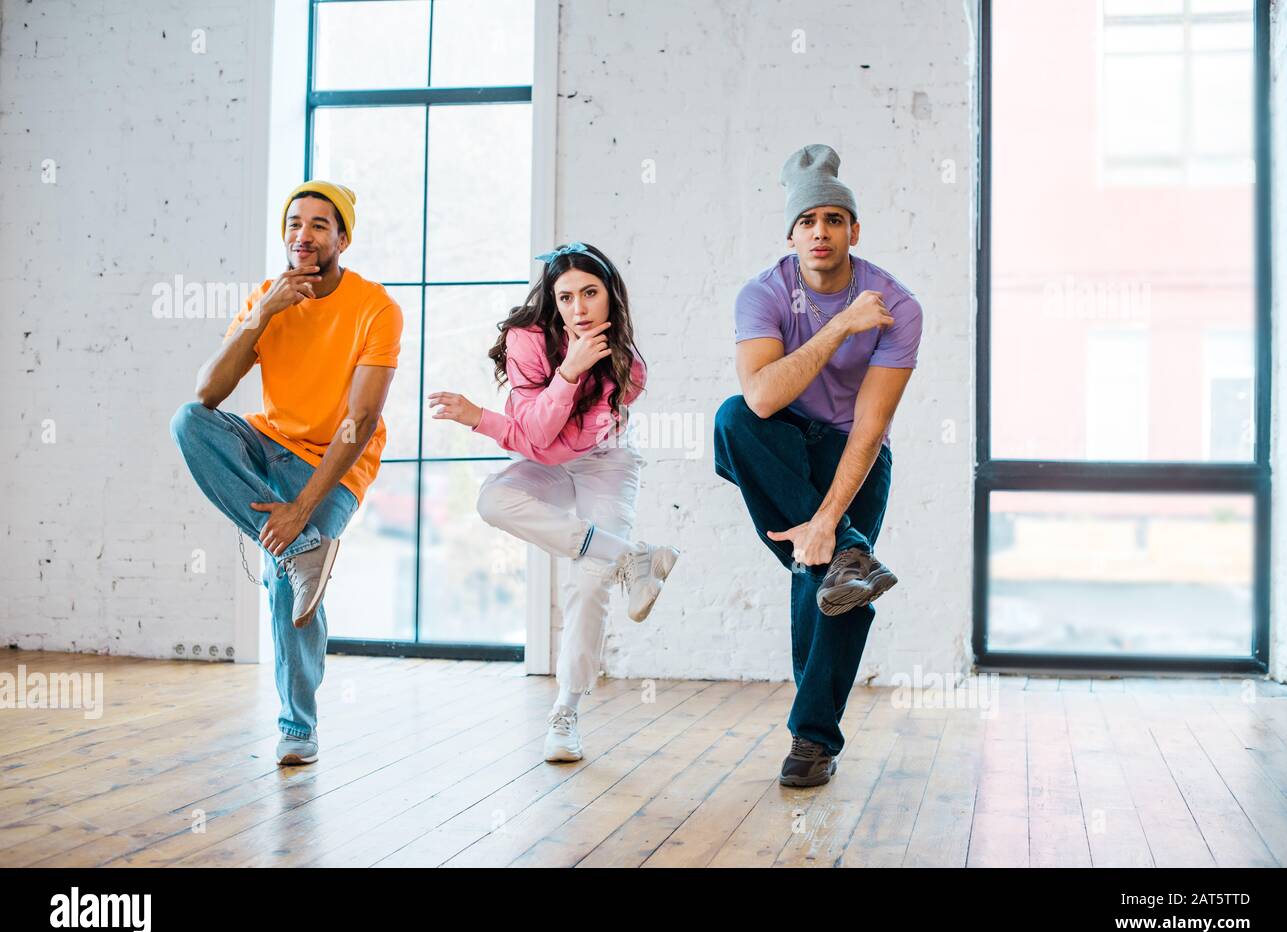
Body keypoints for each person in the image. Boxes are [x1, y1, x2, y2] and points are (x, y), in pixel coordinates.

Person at [170, 179, 401, 766]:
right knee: (188, 422)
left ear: (342, 239)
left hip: (336, 467)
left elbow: (360, 421)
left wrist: (300, 511)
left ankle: (298, 727)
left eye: (320, 224)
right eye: (295, 223)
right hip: (270, 444)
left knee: (284, 579)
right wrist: (264, 312)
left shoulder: (375, 307)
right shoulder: (268, 300)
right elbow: (207, 393)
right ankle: (303, 553)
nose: (304, 235)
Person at [714, 144, 922, 786]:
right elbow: (761, 399)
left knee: (828, 581)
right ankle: (851, 556)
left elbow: (871, 426)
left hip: (851, 451)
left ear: (854, 230)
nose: (820, 232)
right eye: (807, 221)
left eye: (834, 219)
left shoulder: (899, 306)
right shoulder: (764, 294)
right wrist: (839, 328)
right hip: (777, 442)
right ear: (791, 234)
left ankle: (812, 743)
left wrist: (830, 522)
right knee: (732, 419)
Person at [428, 241, 678, 763]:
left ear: (611, 297)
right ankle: (631, 556)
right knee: (494, 499)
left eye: (590, 293)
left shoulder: (629, 369)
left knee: (588, 581)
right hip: (547, 461)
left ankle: (566, 710)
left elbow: (549, 438)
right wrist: (567, 373)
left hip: (606, 461)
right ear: (553, 301)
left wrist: (485, 418)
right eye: (566, 297)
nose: (578, 308)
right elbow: (539, 441)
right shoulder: (527, 339)